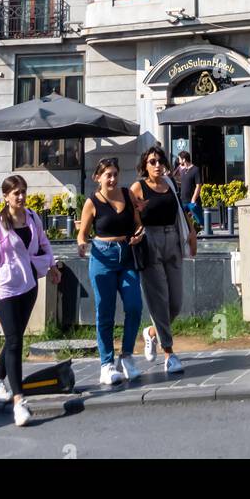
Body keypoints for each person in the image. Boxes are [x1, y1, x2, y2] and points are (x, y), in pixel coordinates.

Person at [0, 174, 61, 426]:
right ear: (6, 197)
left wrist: (52, 266)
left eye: (23, 191)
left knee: (16, 338)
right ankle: (19, 400)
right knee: (14, 341)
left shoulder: (33, 217)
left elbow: (44, 244)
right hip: (6, 289)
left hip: (29, 285)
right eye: (16, 193)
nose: (21, 196)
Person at [129, 145, 197, 374]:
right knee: (159, 300)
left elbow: (181, 209)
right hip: (150, 242)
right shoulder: (138, 188)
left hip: (173, 239)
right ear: (144, 166)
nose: (157, 165)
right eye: (152, 161)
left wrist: (191, 231)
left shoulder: (170, 184)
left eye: (160, 160)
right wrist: (137, 216)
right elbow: (131, 217)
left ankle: (151, 333)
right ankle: (169, 353)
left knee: (175, 302)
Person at [76, 157, 144, 386]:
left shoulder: (127, 194)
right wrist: (81, 244)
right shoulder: (92, 202)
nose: (113, 178)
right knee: (105, 311)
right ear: (98, 177)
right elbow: (82, 232)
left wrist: (139, 233)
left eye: (115, 174)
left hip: (126, 254)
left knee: (134, 305)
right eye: (108, 175)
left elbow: (137, 222)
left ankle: (126, 356)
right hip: (102, 257)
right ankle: (106, 364)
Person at [174, 151, 203, 227]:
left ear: (184, 159)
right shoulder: (183, 171)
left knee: (200, 222)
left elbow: (198, 185)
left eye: (180, 159)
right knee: (184, 224)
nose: (178, 160)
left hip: (192, 202)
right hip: (183, 201)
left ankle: (204, 236)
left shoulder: (195, 170)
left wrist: (193, 199)